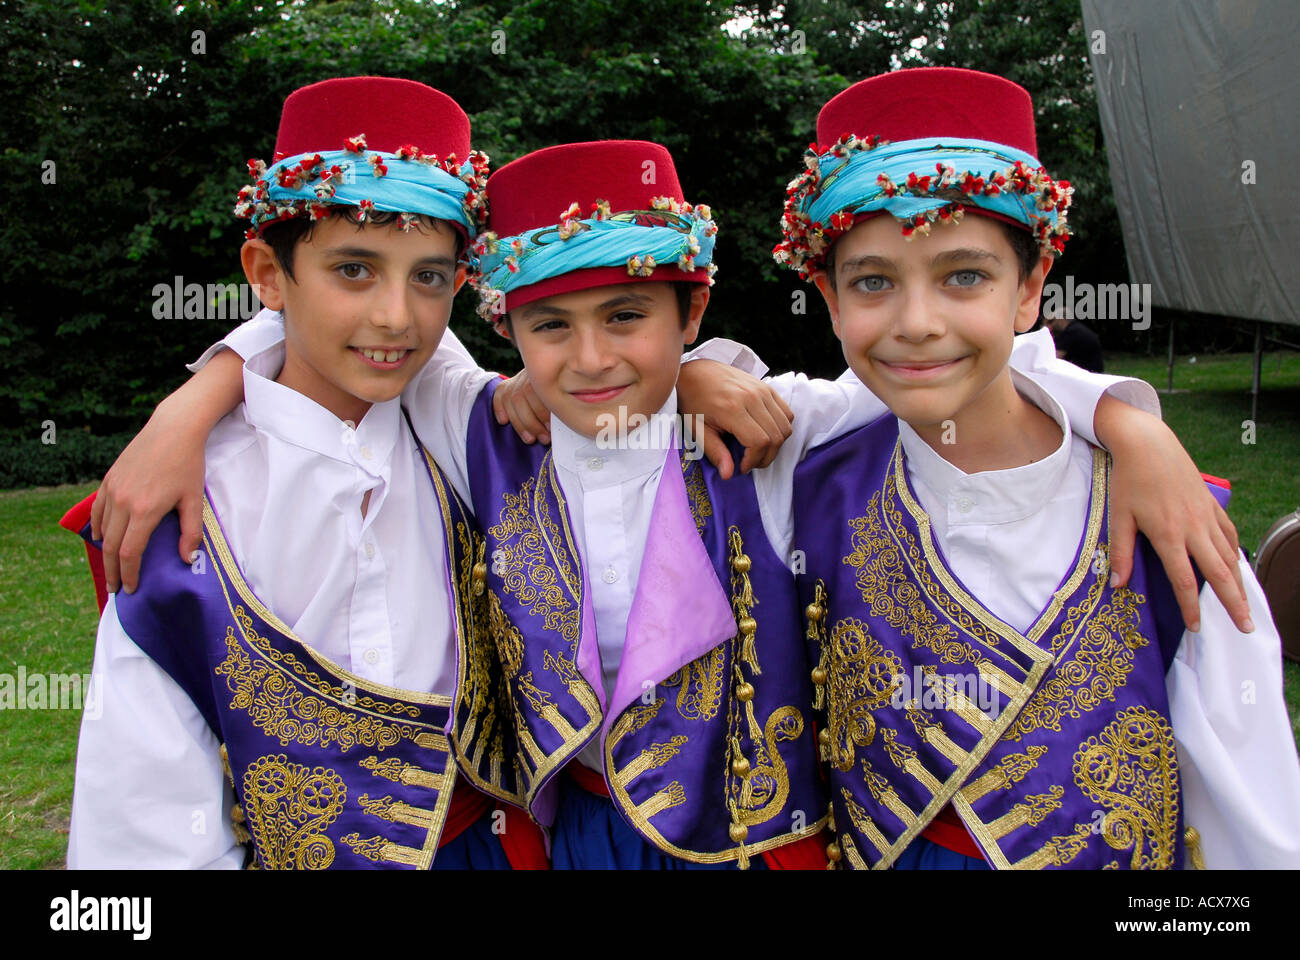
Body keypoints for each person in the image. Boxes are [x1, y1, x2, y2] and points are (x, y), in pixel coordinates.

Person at [87, 129, 1248, 869]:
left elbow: (938, 365)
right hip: (552, 837)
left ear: (690, 316)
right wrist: (193, 400)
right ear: (508, 334)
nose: (589, 358)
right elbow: (362, 342)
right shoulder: (473, 424)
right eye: (548, 326)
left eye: (631, 319)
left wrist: (1125, 418)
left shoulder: (773, 437)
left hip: (758, 843)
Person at [772, 66, 1300, 868]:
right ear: (831, 300)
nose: (918, 323)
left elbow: (1255, 837)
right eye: (873, 281)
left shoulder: (1178, 531)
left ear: (1030, 291)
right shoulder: (800, 492)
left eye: (965, 276)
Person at [65, 76, 550, 870]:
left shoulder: (465, 439)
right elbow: (144, 828)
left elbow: (610, 393)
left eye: (429, 276)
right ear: (265, 271)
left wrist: (699, 380)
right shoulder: (185, 513)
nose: (396, 315)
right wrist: (198, 401)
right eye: (353, 270)